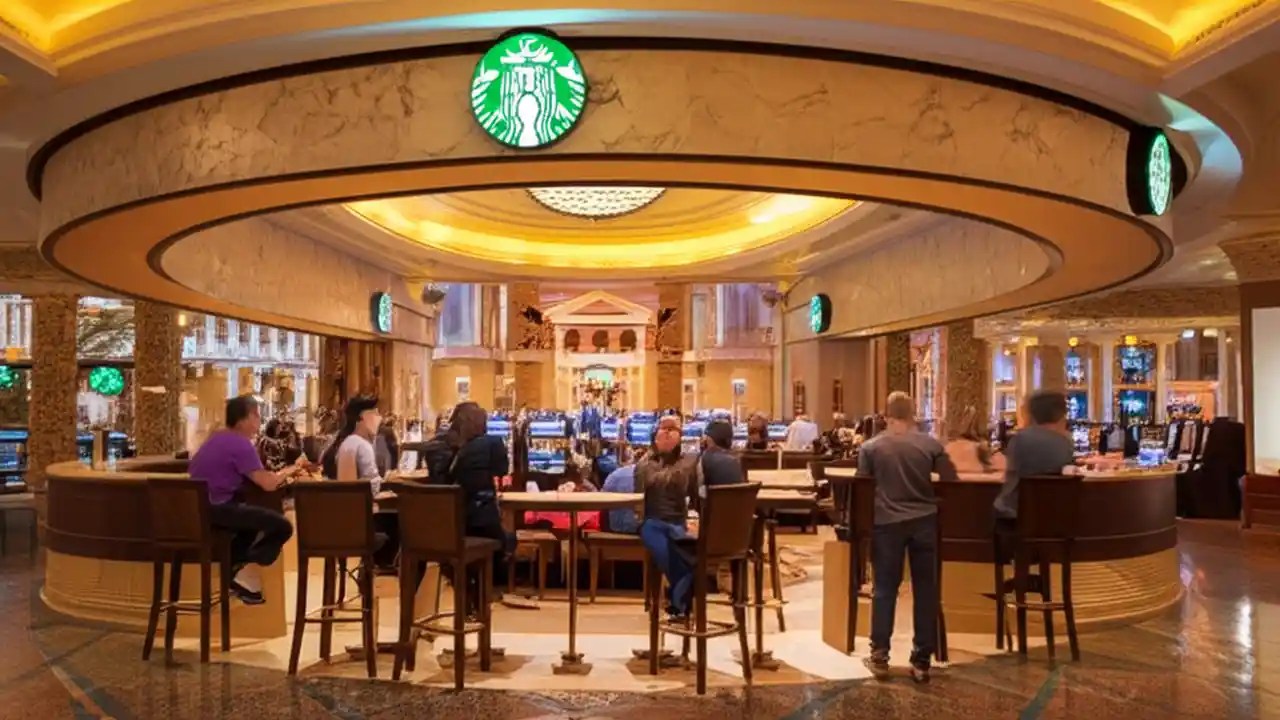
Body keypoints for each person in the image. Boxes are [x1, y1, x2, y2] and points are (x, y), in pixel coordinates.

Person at [857, 391, 959, 683]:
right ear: (913, 415)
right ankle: (922, 661)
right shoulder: (930, 445)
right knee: (926, 590)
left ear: (886, 416)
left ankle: (880, 656)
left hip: (887, 523)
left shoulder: (871, 447)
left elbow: (863, 487)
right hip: (925, 522)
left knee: (885, 589)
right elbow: (950, 480)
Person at [189, 395, 297, 604]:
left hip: (198, 511)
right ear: (244, 419)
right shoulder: (240, 443)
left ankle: (237, 573)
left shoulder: (214, 439)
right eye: (256, 415)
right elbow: (268, 483)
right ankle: (245, 571)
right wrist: (292, 470)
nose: (259, 421)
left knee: (249, 525)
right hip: (218, 509)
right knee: (282, 525)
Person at [423, 402, 513, 582]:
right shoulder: (489, 443)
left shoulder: (435, 447)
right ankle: (482, 593)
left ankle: (465, 584)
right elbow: (502, 470)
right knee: (508, 540)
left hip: (440, 529)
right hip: (476, 523)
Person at [993, 391, 1075, 528]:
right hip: (1053, 518)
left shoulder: (1019, 440)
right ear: (1061, 415)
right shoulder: (1066, 444)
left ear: (1032, 414)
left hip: (1014, 515)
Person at [945, 406, 1000, 473]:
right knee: (983, 446)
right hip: (967, 438)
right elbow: (968, 432)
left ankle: (987, 464)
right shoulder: (963, 422)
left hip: (970, 438)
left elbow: (973, 433)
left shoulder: (972, 421)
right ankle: (986, 465)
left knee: (984, 445)